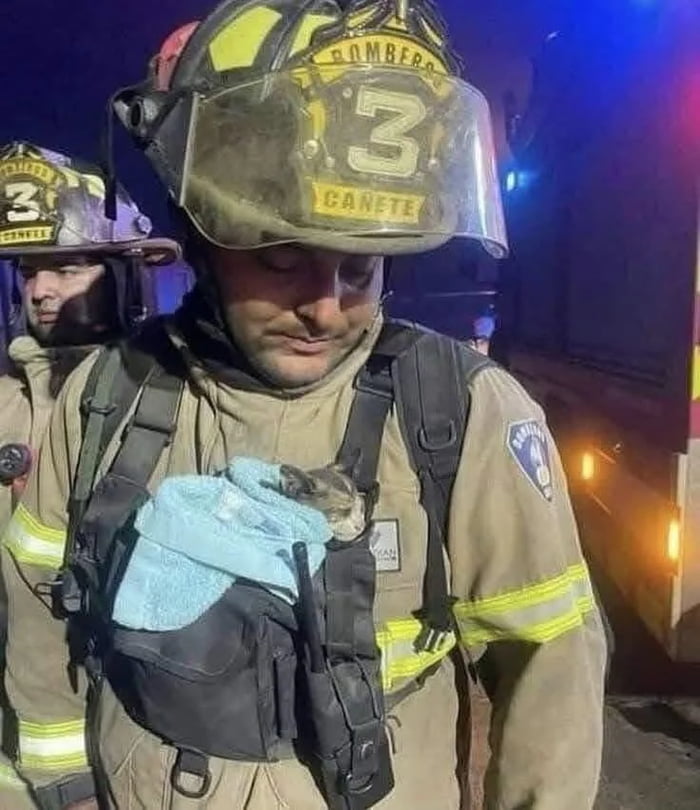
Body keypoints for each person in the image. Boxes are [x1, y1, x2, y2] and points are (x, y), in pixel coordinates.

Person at [3, 3, 607, 810]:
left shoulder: (462, 413)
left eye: (361, 270)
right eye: (283, 261)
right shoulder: (107, 395)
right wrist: (64, 784)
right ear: (205, 239)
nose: (325, 307)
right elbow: (38, 601)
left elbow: (552, 666)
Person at [0, 140, 179, 808]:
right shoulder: (3, 401)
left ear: (125, 273)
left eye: (65, 267)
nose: (39, 289)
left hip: (145, 739)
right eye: (27, 271)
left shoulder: (171, 397)